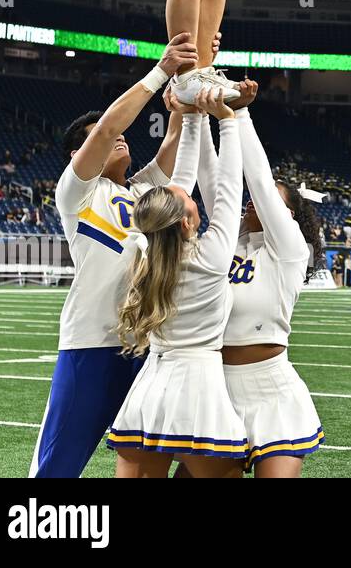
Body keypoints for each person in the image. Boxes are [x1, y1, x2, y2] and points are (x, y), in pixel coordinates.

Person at [29, 33, 196, 478]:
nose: (118, 137)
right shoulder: (77, 191)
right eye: (103, 138)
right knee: (59, 464)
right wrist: (159, 70)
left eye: (122, 136)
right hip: (92, 341)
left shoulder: (141, 190)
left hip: (147, 345)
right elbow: (105, 128)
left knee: (168, 456)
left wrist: (183, 103)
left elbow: (172, 151)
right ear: (77, 154)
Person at [172, 79, 326, 476]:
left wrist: (238, 113)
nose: (250, 200)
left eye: (272, 200)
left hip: (271, 389)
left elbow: (256, 178)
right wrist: (199, 112)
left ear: (287, 215)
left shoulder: (291, 251)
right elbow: (216, 182)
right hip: (214, 388)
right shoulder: (225, 245)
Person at [106, 87, 248, 476]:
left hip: (152, 385)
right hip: (198, 387)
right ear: (187, 222)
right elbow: (228, 189)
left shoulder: (149, 249)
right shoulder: (211, 257)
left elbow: (182, 181)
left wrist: (194, 115)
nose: (192, 197)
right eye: (189, 203)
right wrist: (227, 120)